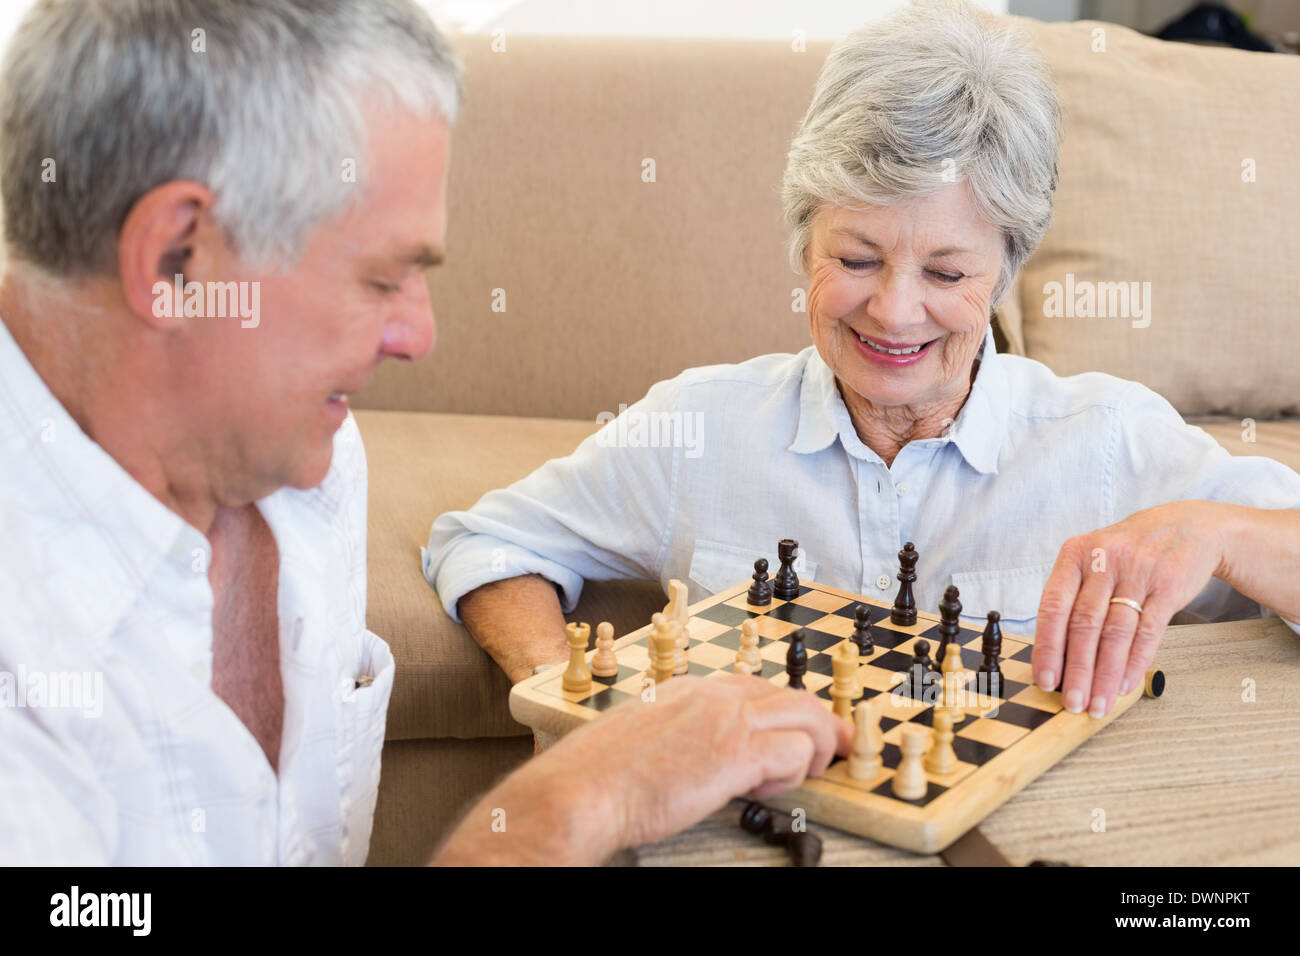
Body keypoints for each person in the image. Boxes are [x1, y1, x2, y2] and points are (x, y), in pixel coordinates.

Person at [0, 0, 847, 867]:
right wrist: (573, 800)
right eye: (380, 279)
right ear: (179, 260)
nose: (419, 336)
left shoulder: (310, 470)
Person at [425, 0, 1300, 740]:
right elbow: (482, 542)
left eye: (948, 274)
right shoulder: (699, 430)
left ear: (1008, 269)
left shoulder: (1109, 443)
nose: (893, 311)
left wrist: (1219, 532)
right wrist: (575, 712)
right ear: (804, 239)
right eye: (856, 259)